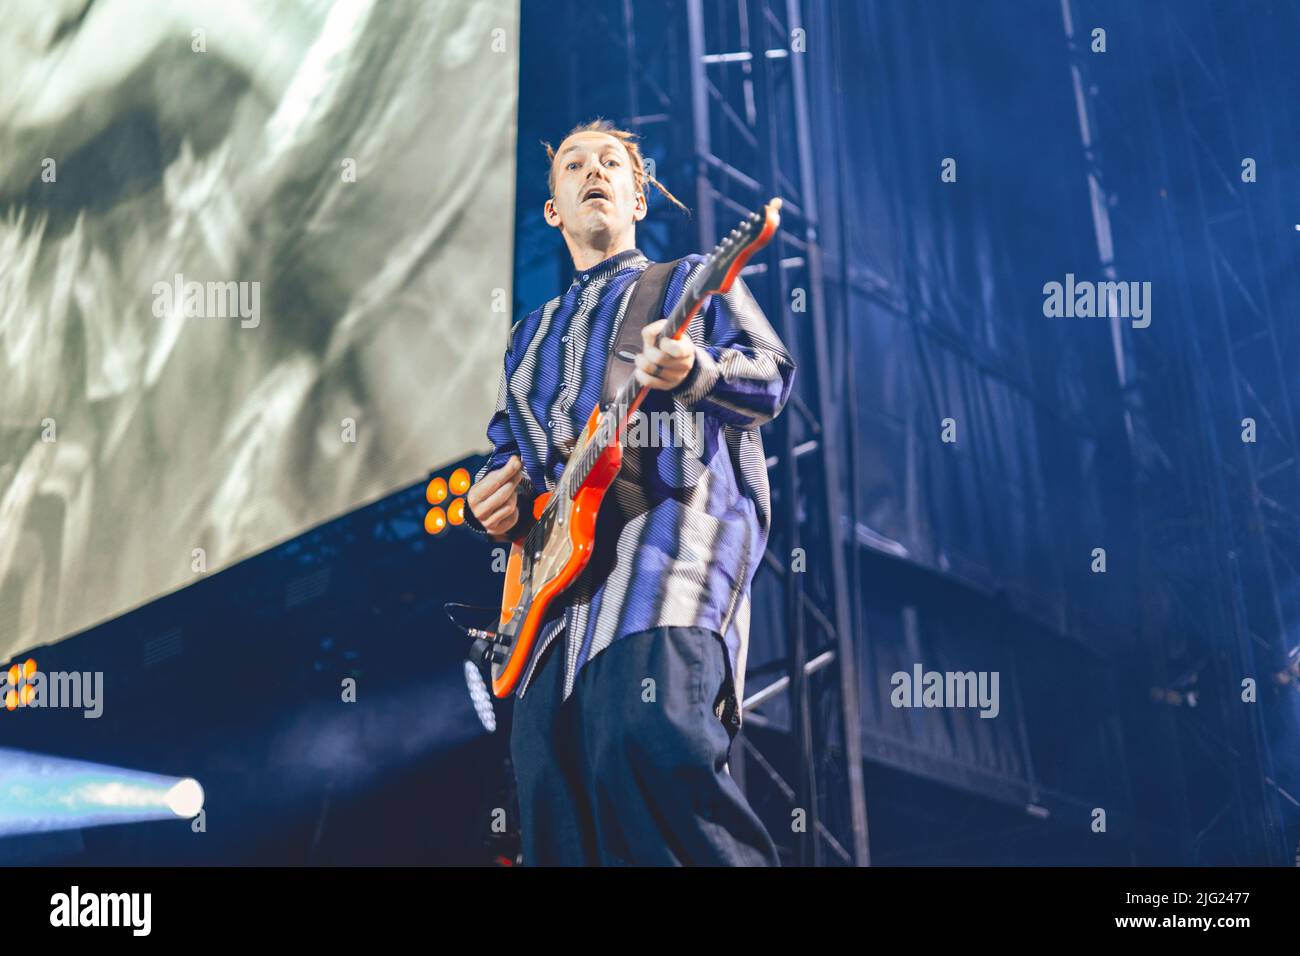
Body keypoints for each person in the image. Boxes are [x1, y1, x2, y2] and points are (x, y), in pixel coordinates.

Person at [464, 119, 795, 865]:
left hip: (663, 558)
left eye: (612, 163)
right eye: (574, 163)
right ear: (554, 210)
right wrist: (496, 502)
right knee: (555, 805)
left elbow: (773, 373)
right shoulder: (527, 337)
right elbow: (505, 458)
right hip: (551, 613)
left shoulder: (691, 278)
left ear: (637, 197)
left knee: (647, 744)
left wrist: (697, 372)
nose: (594, 172)